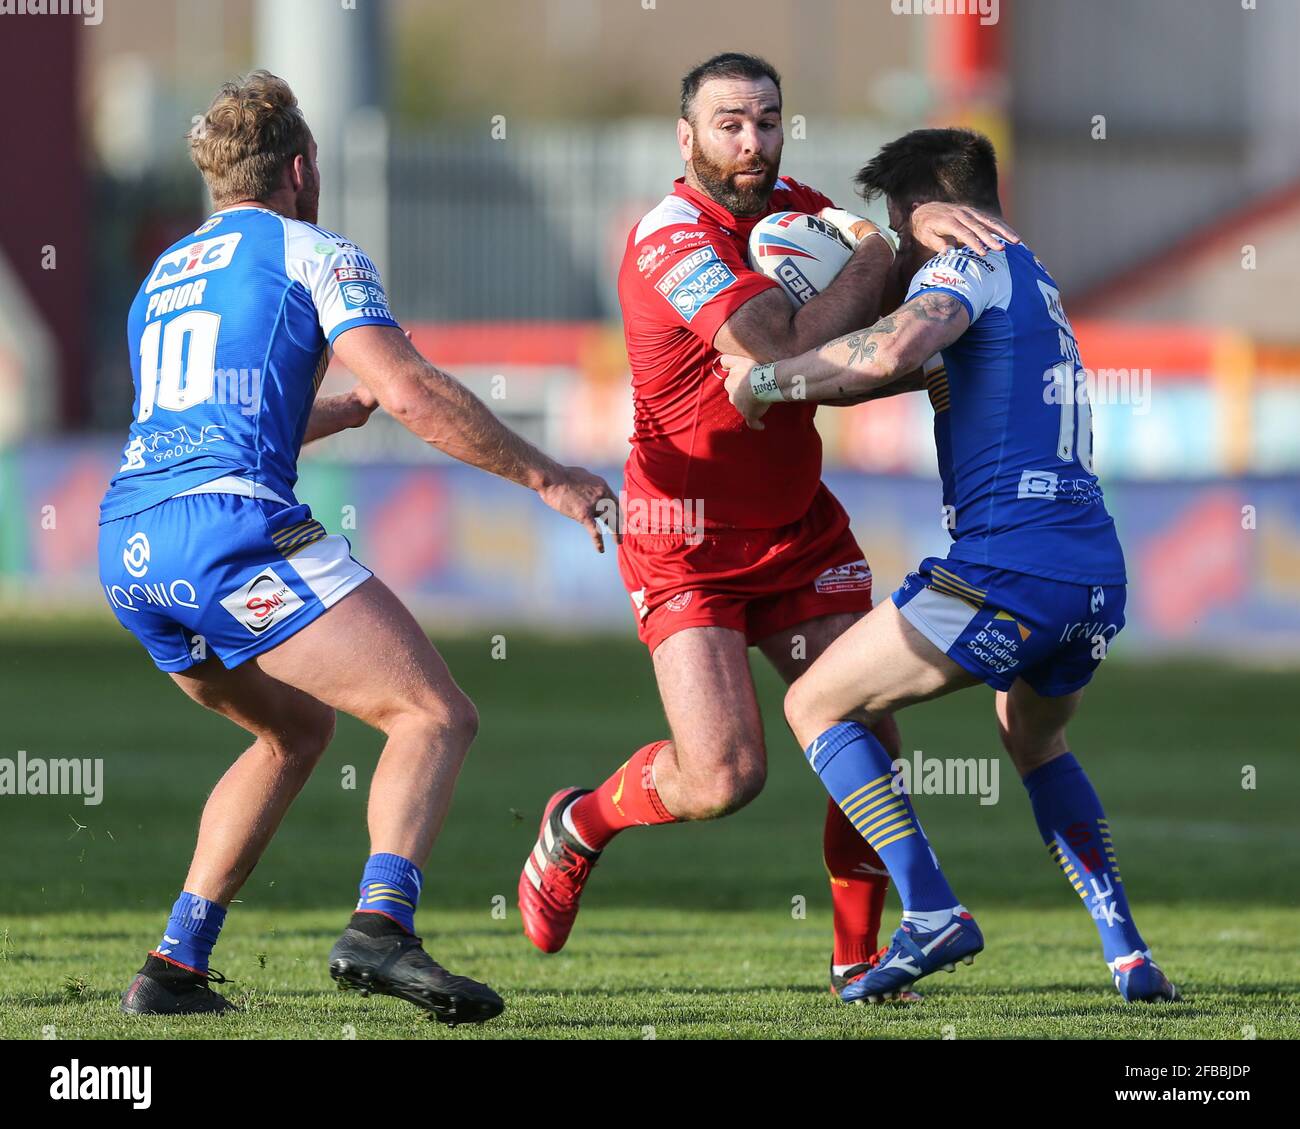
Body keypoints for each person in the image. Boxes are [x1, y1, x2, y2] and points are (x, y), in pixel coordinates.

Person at [98, 71, 616, 1023]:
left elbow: (216, 424)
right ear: (301, 168)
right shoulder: (314, 249)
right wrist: (550, 477)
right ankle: (381, 926)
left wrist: (338, 411)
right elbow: (414, 391)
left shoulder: (161, 277)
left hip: (130, 548)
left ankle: (175, 962)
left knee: (294, 730)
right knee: (433, 715)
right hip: (231, 536)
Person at [518, 54, 1015, 1000]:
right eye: (731, 124)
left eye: (769, 121)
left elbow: (889, 259)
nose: (752, 143)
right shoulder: (670, 235)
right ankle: (579, 824)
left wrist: (916, 220)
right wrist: (874, 252)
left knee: (865, 726)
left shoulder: (794, 204)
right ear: (688, 137)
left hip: (797, 528)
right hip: (682, 534)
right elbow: (783, 347)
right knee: (723, 776)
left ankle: (858, 957)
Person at [720, 127, 1178, 1004]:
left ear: (933, 210)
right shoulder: (1031, 276)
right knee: (1035, 735)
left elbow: (889, 349)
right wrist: (821, 364)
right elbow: (914, 368)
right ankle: (1128, 952)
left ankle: (930, 910)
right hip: (1091, 569)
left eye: (901, 223)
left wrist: (768, 380)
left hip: (1011, 564)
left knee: (815, 701)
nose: (900, 247)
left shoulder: (960, 265)